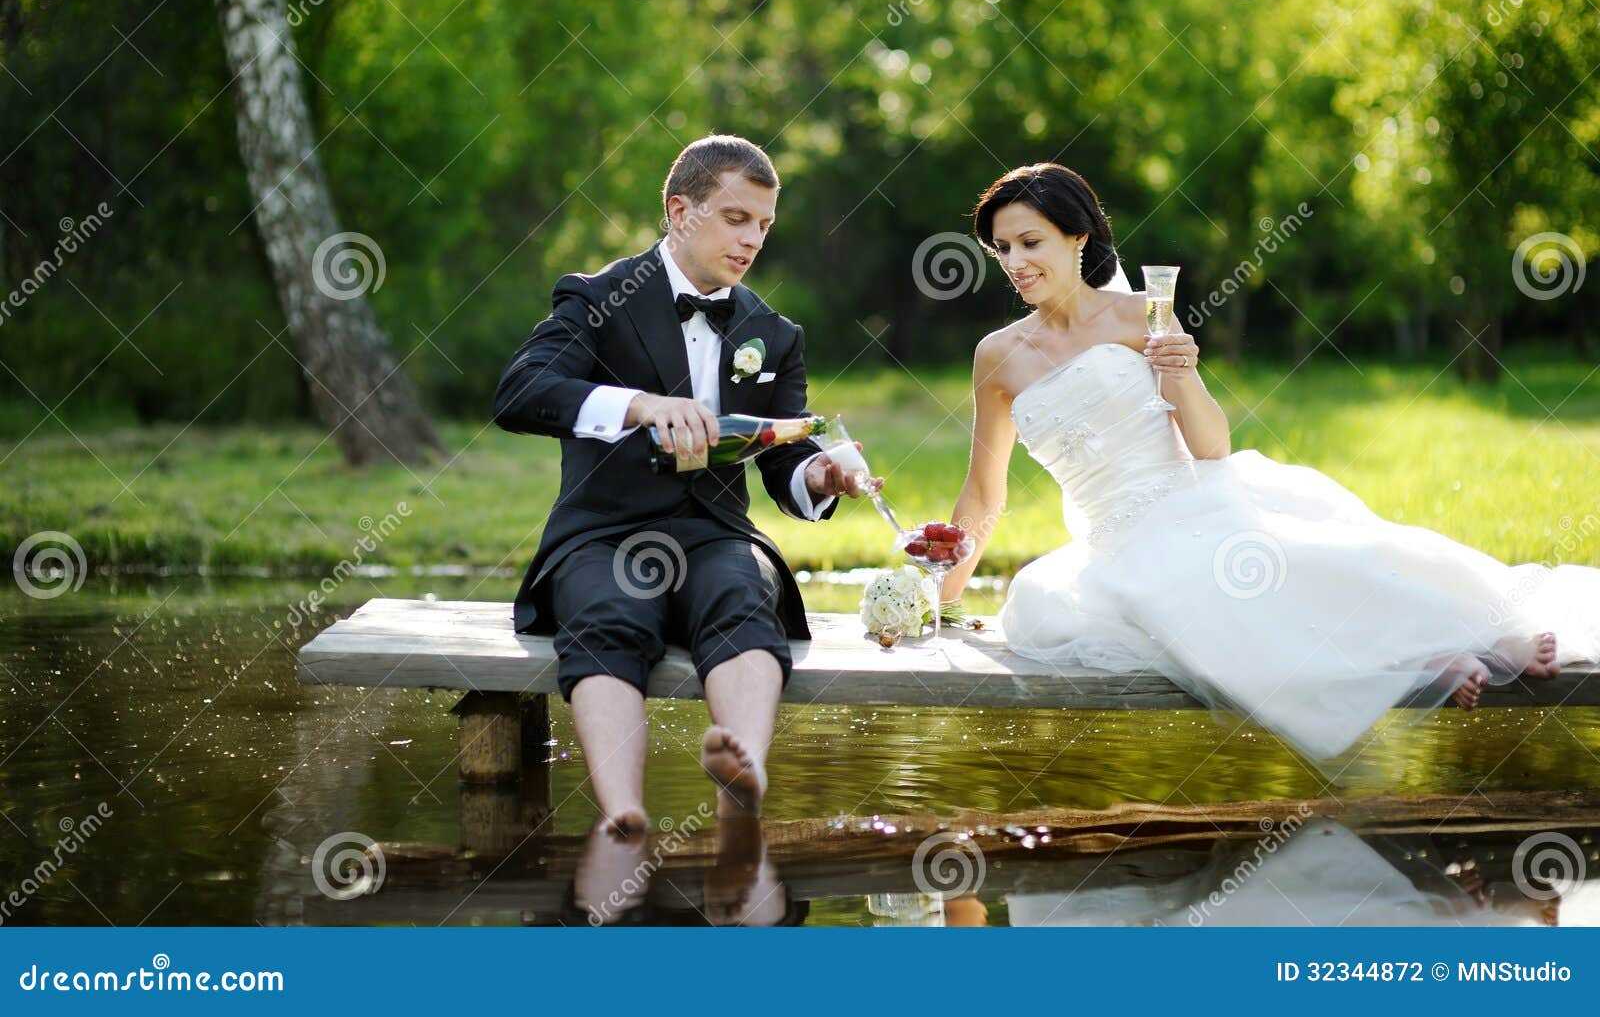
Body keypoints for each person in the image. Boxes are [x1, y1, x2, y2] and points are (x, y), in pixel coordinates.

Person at [939, 162, 1598, 764]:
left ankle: (1471, 635)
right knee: (1088, 603)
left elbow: (1211, 447)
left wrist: (1184, 373)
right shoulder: (997, 356)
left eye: (1030, 242)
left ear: (1078, 237)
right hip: (1109, 543)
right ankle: (1419, 663)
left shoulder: (1142, 313)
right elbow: (984, 492)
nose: (1015, 262)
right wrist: (933, 601)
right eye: (1002, 248)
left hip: (1190, 497)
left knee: (1293, 562)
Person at [492, 134, 871, 833]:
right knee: (605, 615)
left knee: (742, 600)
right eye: (736, 218)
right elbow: (521, 392)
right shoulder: (598, 296)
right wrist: (640, 405)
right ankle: (624, 813)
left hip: (717, 533)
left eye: (764, 224)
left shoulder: (773, 333)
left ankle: (743, 783)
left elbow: (781, 456)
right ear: (679, 211)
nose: (752, 239)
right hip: (602, 532)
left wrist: (817, 473)